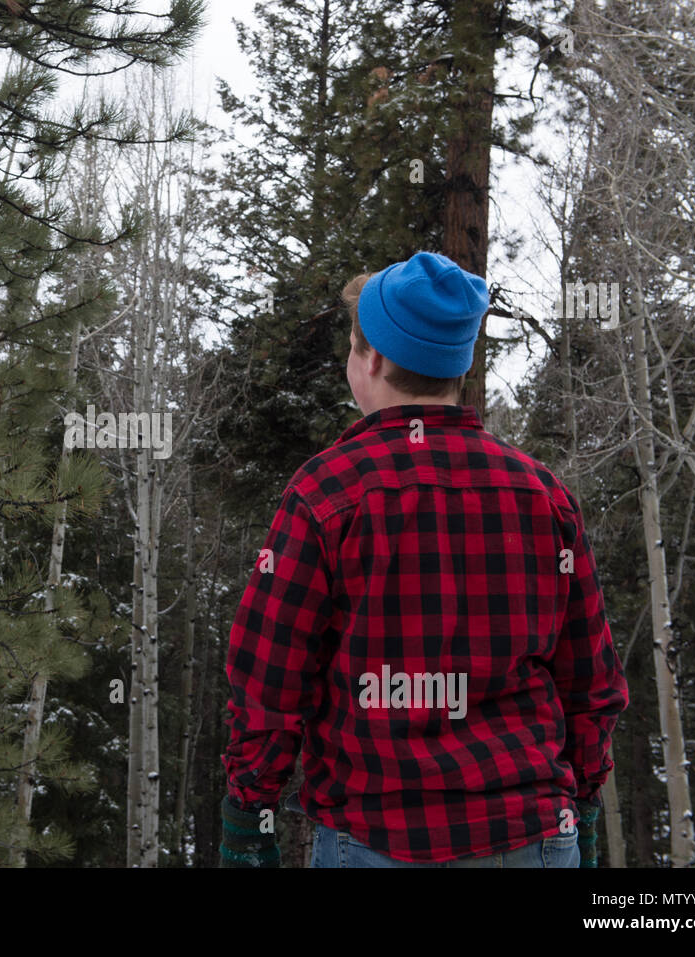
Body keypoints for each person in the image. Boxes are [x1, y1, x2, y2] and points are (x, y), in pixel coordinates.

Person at [219, 251, 629, 868]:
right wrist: (587, 804)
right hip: (533, 835)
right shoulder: (541, 493)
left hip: (377, 838)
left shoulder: (327, 493)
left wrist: (249, 818)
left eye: (354, 349)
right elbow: (590, 681)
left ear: (373, 358)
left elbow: (268, 683)